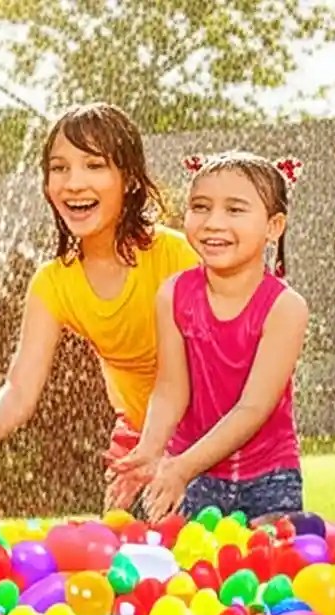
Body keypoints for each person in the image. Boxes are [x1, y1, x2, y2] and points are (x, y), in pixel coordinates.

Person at [0, 103, 199, 512]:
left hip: (204, 434)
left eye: (94, 165)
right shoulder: (54, 282)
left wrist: (179, 455)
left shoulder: (176, 256)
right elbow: (21, 386)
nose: (73, 182)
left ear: (129, 180)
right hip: (136, 434)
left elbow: (225, 358)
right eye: (59, 168)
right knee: (127, 564)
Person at [112, 151, 309, 524]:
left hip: (268, 475)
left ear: (274, 225)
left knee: (270, 567)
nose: (213, 222)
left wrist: (181, 468)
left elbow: (253, 407)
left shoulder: (285, 307)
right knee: (191, 573)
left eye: (235, 210)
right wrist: (150, 450)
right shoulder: (173, 294)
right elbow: (171, 389)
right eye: (200, 207)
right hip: (196, 473)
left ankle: (306, 529)